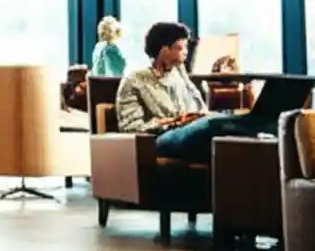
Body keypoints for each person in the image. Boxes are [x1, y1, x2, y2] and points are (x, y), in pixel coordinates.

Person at [115, 22, 270, 163]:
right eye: (180, 48)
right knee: (213, 124)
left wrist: (198, 116)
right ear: (164, 50)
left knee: (228, 127)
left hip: (194, 129)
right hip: (162, 138)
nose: (186, 53)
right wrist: (173, 122)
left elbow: (199, 107)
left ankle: (267, 125)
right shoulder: (135, 80)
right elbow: (131, 128)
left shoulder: (179, 73)